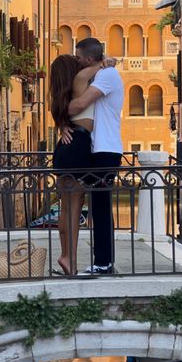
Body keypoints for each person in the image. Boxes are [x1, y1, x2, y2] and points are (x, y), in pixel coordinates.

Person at [67, 37, 124, 274]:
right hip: (97, 149)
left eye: (79, 58)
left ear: (89, 59)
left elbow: (80, 105)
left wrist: (60, 109)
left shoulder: (107, 76)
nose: (77, 62)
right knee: (98, 207)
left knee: (100, 208)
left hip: (106, 150)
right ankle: (102, 261)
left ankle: (103, 263)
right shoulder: (101, 72)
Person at [49, 54, 105, 276]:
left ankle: (67, 256)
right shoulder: (81, 81)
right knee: (73, 207)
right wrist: (103, 62)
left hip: (66, 149)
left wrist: (62, 125)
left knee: (66, 207)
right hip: (77, 145)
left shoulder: (62, 96)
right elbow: (101, 63)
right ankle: (68, 258)